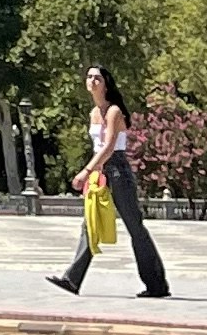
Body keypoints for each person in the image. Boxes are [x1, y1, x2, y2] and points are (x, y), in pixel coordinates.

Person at [48, 64, 171, 300]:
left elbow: (109, 146)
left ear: (106, 83)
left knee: (135, 227)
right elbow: (98, 148)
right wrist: (92, 170)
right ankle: (72, 279)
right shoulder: (94, 112)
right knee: (90, 223)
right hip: (100, 169)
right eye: (89, 77)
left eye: (97, 78)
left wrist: (85, 171)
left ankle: (156, 284)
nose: (92, 81)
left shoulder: (114, 111)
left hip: (116, 170)